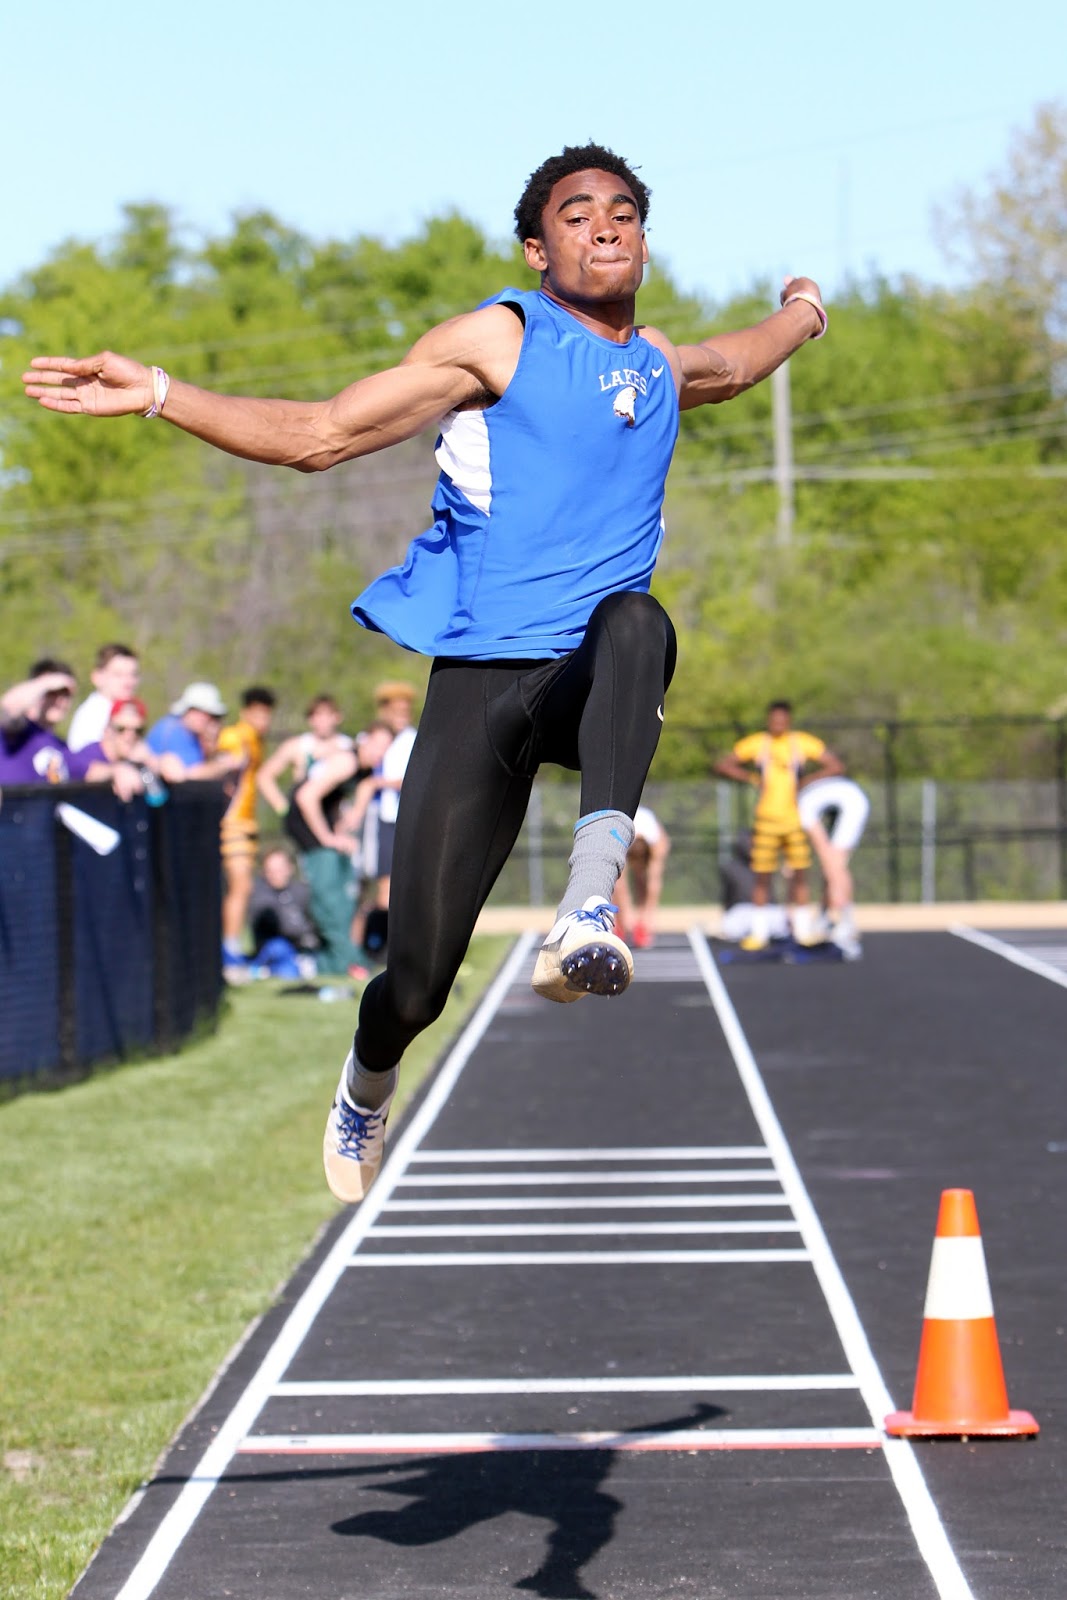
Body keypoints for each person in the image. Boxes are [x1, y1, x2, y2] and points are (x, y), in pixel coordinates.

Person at [22, 141, 828, 1203]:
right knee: (415, 982)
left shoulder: (658, 367)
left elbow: (737, 359)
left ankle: (587, 907)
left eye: (623, 211)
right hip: (483, 690)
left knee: (637, 623)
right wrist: (162, 391)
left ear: (643, 238)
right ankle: (364, 1082)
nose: (604, 226)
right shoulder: (496, 340)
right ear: (536, 247)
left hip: (588, 674)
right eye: (577, 214)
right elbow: (318, 435)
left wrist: (806, 311)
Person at [714, 701, 842, 950]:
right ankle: (759, 932)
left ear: (788, 721)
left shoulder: (801, 743)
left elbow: (834, 764)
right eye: (774, 720)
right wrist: (751, 777)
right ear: (769, 721)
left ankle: (803, 929)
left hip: (793, 820)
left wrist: (808, 780)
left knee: (800, 874)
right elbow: (724, 763)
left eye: (782, 720)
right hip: (766, 820)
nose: (778, 724)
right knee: (762, 876)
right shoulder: (759, 744)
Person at [285, 722, 395, 977]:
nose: (379, 752)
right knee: (329, 900)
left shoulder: (365, 771)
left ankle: (346, 960)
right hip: (306, 826)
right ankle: (337, 963)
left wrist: (341, 830)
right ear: (364, 740)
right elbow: (306, 797)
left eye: (385, 748)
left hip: (323, 827)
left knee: (346, 899)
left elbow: (340, 804)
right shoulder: (347, 761)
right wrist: (327, 838)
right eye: (376, 745)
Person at [215, 686, 277, 973]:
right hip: (232, 821)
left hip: (247, 820)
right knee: (240, 885)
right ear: (246, 713)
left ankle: (231, 945)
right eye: (258, 714)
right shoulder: (235, 736)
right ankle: (229, 948)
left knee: (242, 886)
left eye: (267, 715)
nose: (263, 720)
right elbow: (223, 765)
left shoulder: (257, 740)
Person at [358, 681, 418, 951]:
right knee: (374, 883)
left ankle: (389, 945)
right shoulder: (370, 737)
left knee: (396, 885)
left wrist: (382, 783)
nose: (401, 714)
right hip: (378, 818)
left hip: (402, 818)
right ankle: (374, 943)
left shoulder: (412, 738)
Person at [797, 774, 870, 959]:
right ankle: (824, 918)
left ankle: (846, 923)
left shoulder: (801, 806)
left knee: (834, 865)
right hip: (850, 799)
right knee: (832, 866)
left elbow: (824, 852)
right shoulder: (806, 799)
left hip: (853, 805)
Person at [256, 693, 354, 822]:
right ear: (310, 719)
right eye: (317, 715)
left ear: (337, 717)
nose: (322, 721)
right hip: (307, 815)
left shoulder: (348, 746)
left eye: (327, 715)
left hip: (338, 817)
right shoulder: (298, 746)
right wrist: (284, 808)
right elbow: (264, 776)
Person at [0, 660, 95, 784]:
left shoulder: (61, 746)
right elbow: (8, 708)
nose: (59, 700)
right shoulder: (18, 731)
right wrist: (46, 683)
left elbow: (90, 771)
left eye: (65, 694)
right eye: (51, 693)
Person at [246, 844, 321, 978]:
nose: (275, 875)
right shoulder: (258, 892)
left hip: (301, 948)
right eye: (270, 870)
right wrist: (302, 934)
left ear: (290, 869)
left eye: (280, 870)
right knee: (280, 952)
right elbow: (285, 926)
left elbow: (313, 922)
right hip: (272, 947)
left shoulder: (301, 891)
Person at [145, 681, 242, 782]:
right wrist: (222, 765)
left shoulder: (191, 734)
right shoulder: (174, 731)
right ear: (190, 710)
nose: (207, 719)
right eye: (203, 713)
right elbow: (184, 775)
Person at [613, 802, 670, 949]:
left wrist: (646, 919)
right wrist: (627, 915)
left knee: (644, 882)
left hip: (644, 832)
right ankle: (617, 924)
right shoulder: (621, 840)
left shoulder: (657, 843)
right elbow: (620, 884)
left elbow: (653, 884)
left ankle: (641, 925)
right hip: (619, 828)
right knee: (613, 881)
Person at [67, 643, 140, 751]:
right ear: (97, 677)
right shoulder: (92, 714)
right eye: (118, 674)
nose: (128, 682)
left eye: (133, 674)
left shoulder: (126, 711)